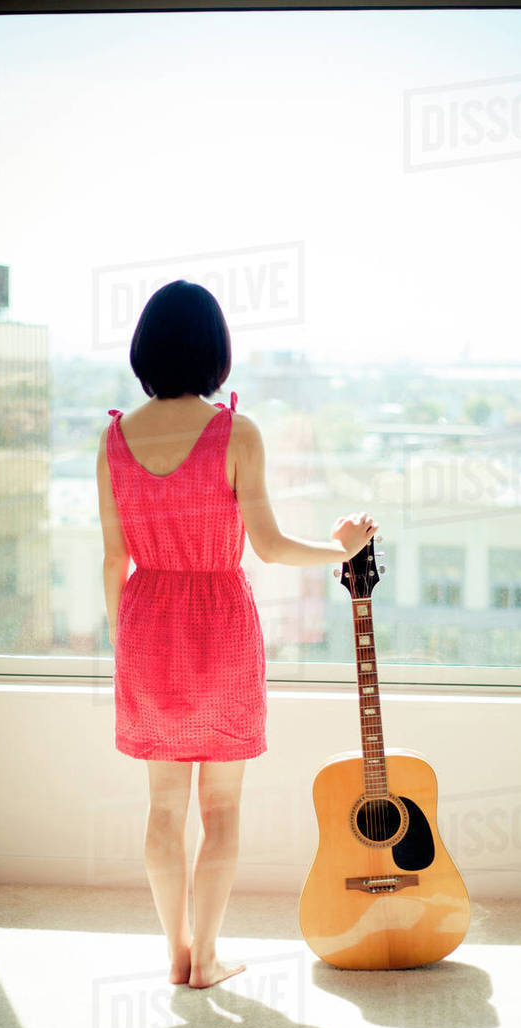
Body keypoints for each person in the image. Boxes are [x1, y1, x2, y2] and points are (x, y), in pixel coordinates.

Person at [96, 279, 378, 990]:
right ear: (215, 351)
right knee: (221, 808)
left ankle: (176, 952)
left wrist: (125, 644)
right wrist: (342, 549)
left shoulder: (114, 438)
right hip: (219, 623)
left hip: (146, 624)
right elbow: (272, 547)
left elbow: (112, 559)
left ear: (144, 350)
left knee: (163, 808)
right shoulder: (235, 432)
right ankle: (208, 957)